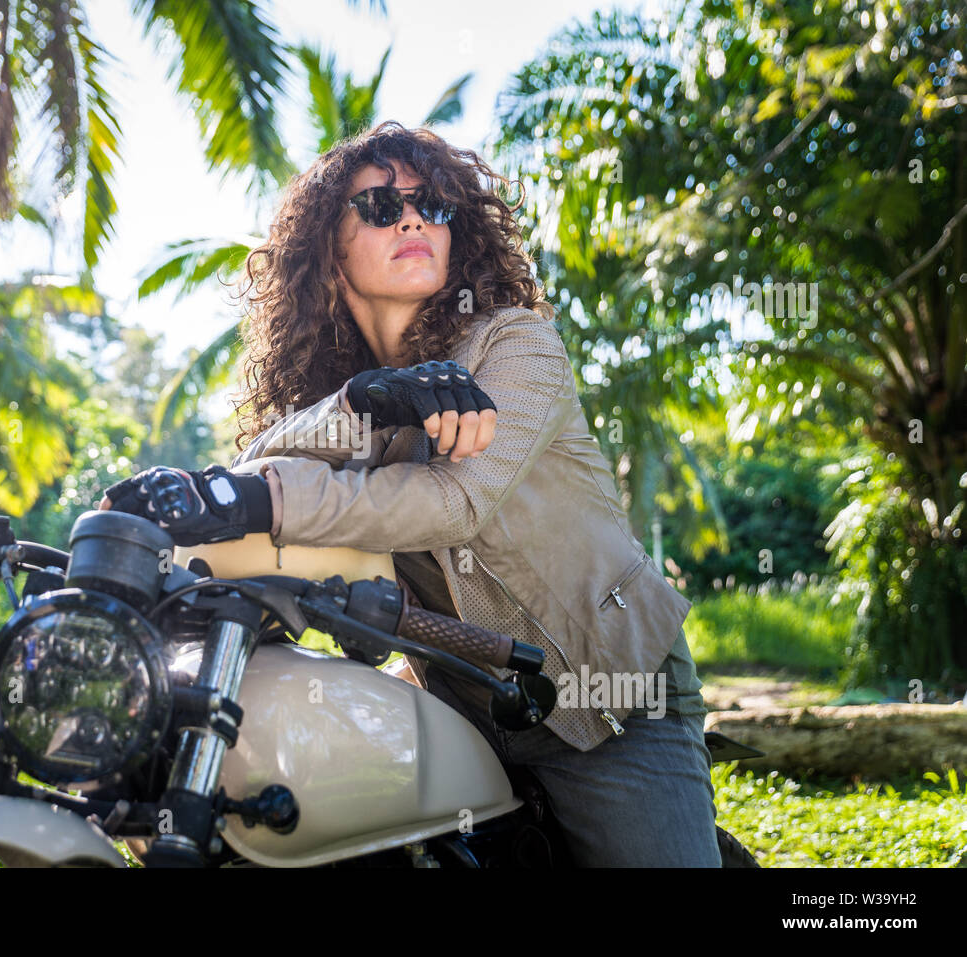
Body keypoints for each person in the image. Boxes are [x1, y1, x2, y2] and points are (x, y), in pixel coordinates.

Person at [101, 120, 721, 867]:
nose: (412, 218)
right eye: (378, 207)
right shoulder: (337, 396)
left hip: (607, 697)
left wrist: (249, 499)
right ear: (328, 252)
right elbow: (261, 460)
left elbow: (449, 502)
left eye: (432, 204)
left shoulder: (516, 342)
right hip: (457, 698)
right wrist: (358, 401)